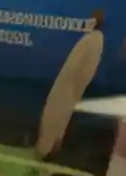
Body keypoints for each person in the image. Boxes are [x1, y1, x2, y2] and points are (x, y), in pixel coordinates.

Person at [35, 9, 105, 158]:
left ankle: (47, 149)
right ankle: (47, 147)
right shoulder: (92, 40)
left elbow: (83, 68)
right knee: (55, 113)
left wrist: (75, 85)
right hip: (69, 84)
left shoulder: (93, 40)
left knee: (57, 114)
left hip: (70, 84)